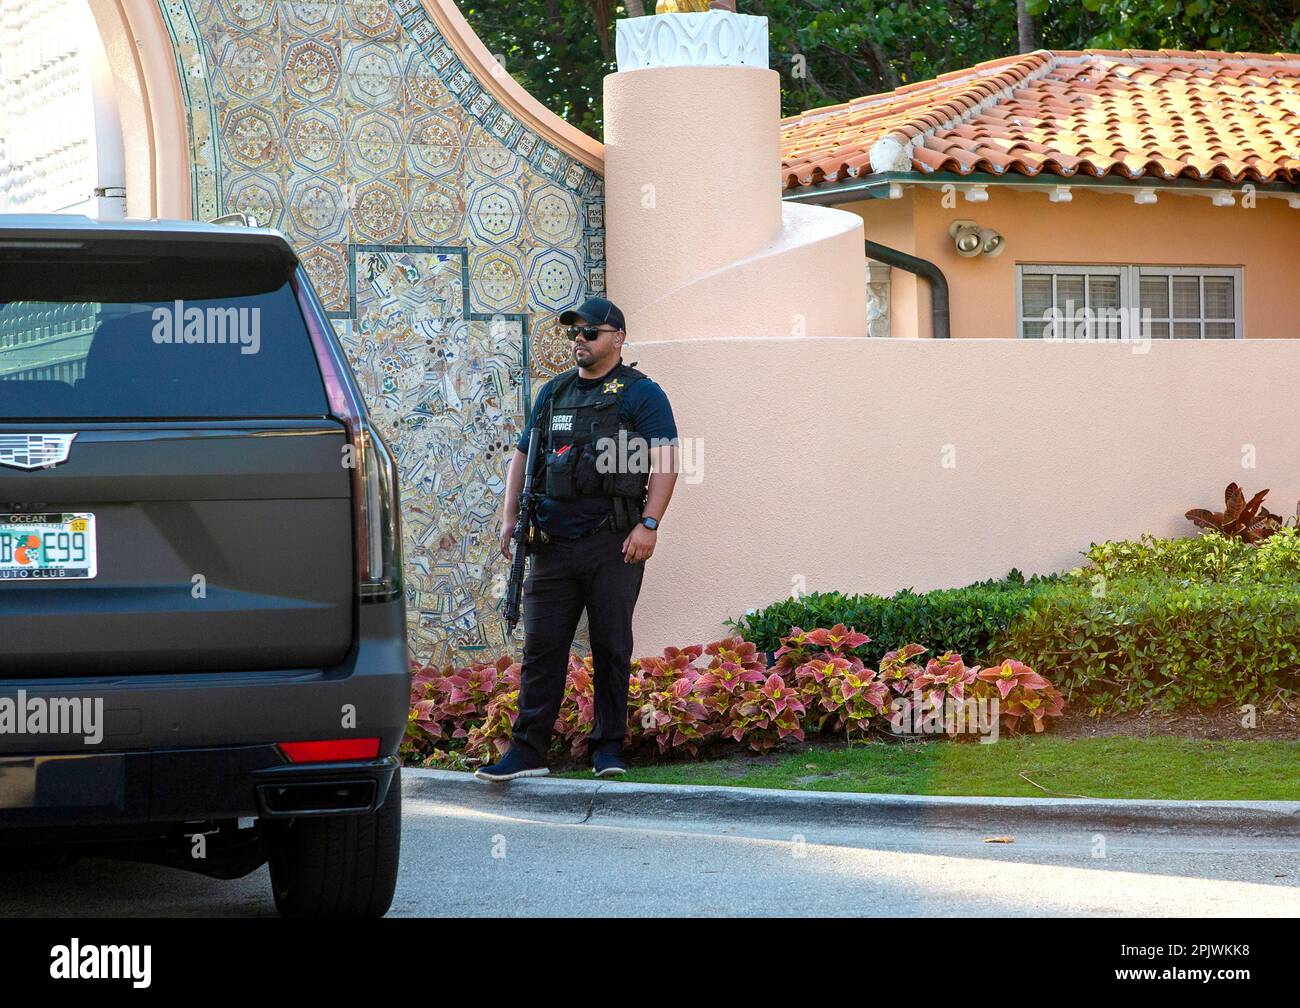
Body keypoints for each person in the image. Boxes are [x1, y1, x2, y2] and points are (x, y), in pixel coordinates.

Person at [476, 296, 679, 781]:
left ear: (618, 338)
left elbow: (666, 460)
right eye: (574, 333)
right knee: (542, 650)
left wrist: (648, 525)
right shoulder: (554, 393)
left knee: (612, 647)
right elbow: (523, 457)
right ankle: (528, 752)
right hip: (551, 542)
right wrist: (509, 519)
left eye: (590, 332)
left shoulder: (641, 394)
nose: (579, 340)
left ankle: (607, 748)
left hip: (614, 542)